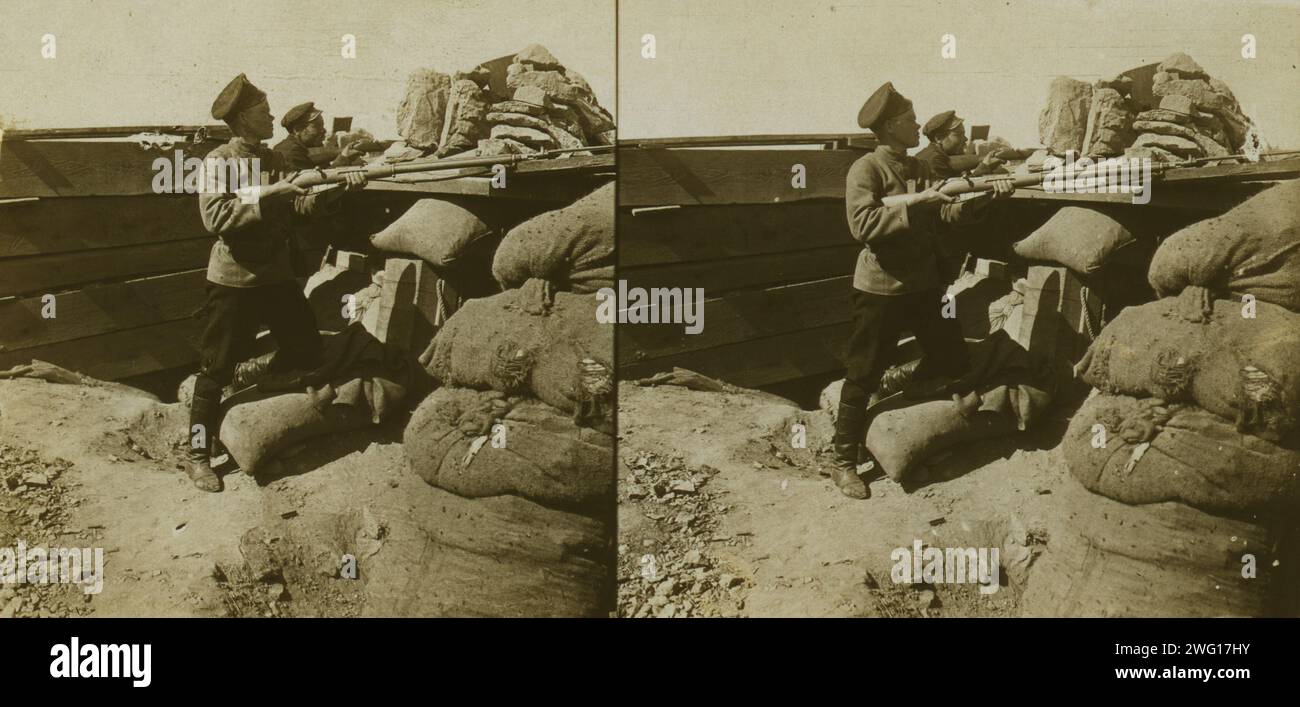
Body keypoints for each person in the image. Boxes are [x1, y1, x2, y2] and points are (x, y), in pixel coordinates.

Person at [832, 82, 1014, 500]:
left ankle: (913, 394)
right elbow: (863, 225)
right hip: (881, 288)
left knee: (951, 358)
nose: (917, 127)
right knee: (862, 372)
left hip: (924, 284)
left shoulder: (919, 168)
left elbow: (949, 213)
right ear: (892, 126)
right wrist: (916, 205)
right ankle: (842, 461)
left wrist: (988, 195)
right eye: (912, 121)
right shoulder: (867, 169)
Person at [187, 74, 366, 492]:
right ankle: (196, 453)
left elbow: (302, 204)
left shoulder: (274, 160)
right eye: (264, 112)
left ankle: (255, 374)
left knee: (307, 352)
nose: (271, 117)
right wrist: (268, 193)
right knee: (214, 370)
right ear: (244, 119)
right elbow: (216, 216)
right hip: (233, 281)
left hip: (276, 276)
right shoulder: (219, 161)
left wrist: (338, 182)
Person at [273, 101, 364, 170]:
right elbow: (313, 189)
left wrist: (339, 152)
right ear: (297, 130)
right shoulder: (293, 153)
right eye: (317, 126)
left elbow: (310, 160)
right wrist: (343, 158)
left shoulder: (290, 147)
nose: (323, 130)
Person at [915, 110, 1005, 178]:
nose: (965, 138)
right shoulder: (934, 160)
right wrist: (984, 167)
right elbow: (954, 199)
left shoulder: (937, 155)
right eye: (958, 134)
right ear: (939, 138)